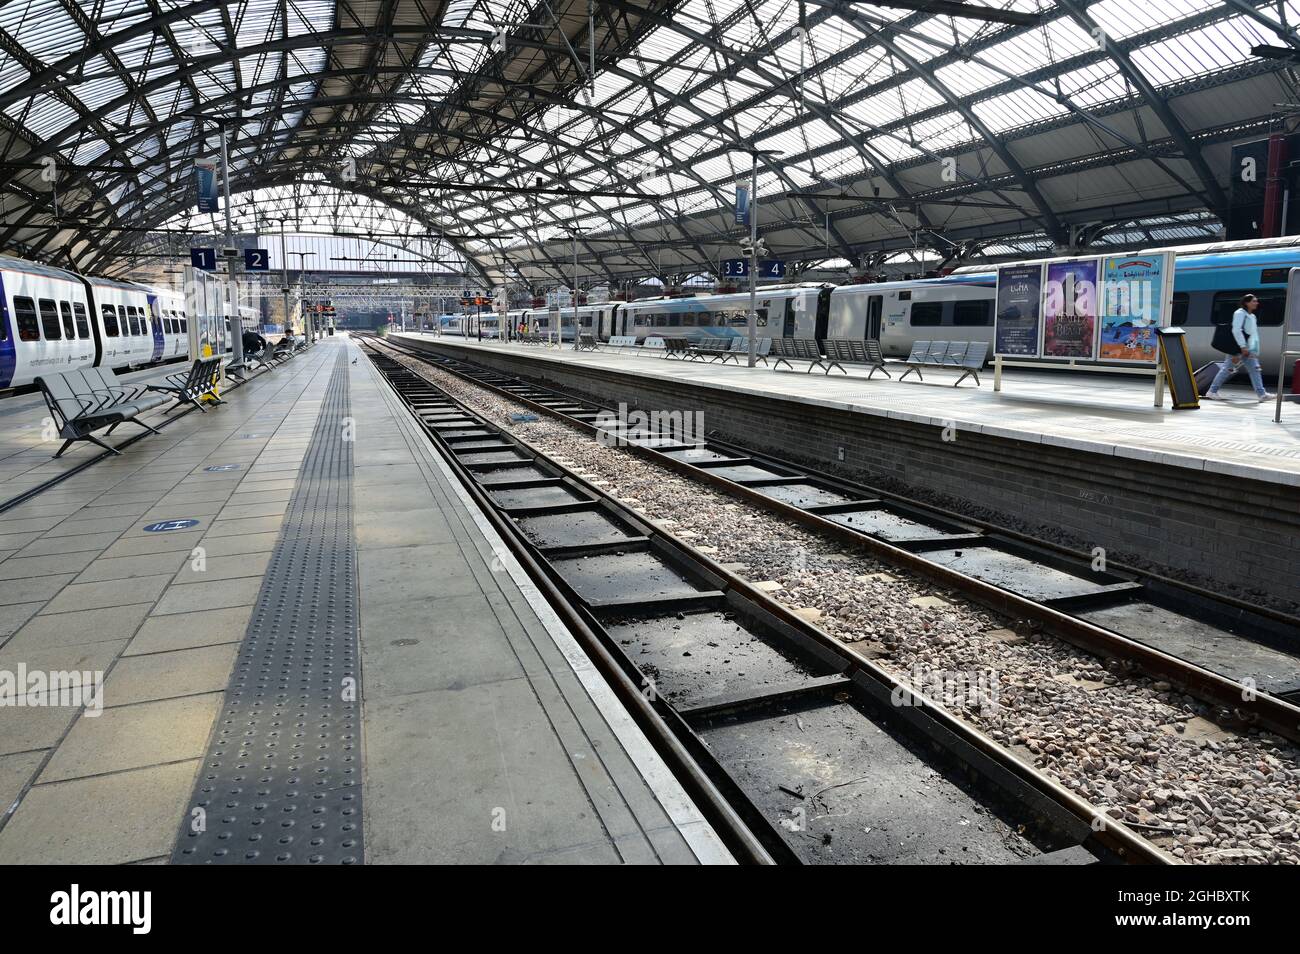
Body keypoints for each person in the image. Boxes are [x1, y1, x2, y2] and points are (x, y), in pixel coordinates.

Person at [1204, 294, 1276, 403]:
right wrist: (1242, 346)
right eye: (1254, 301)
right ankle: (1212, 391)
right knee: (1227, 369)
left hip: (1248, 348)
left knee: (1255, 369)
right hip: (1238, 348)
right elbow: (1236, 330)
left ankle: (1262, 394)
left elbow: (1253, 334)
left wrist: (1253, 349)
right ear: (1246, 303)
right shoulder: (1239, 314)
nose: (1256, 303)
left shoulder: (1252, 316)